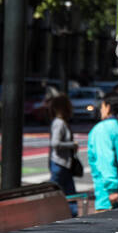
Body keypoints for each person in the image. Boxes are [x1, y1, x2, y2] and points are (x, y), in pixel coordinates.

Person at [47, 88, 79, 216]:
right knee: (54, 193)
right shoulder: (59, 123)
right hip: (60, 164)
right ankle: (52, 215)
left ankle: (73, 215)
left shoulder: (61, 122)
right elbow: (55, 143)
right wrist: (72, 145)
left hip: (64, 164)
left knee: (69, 194)